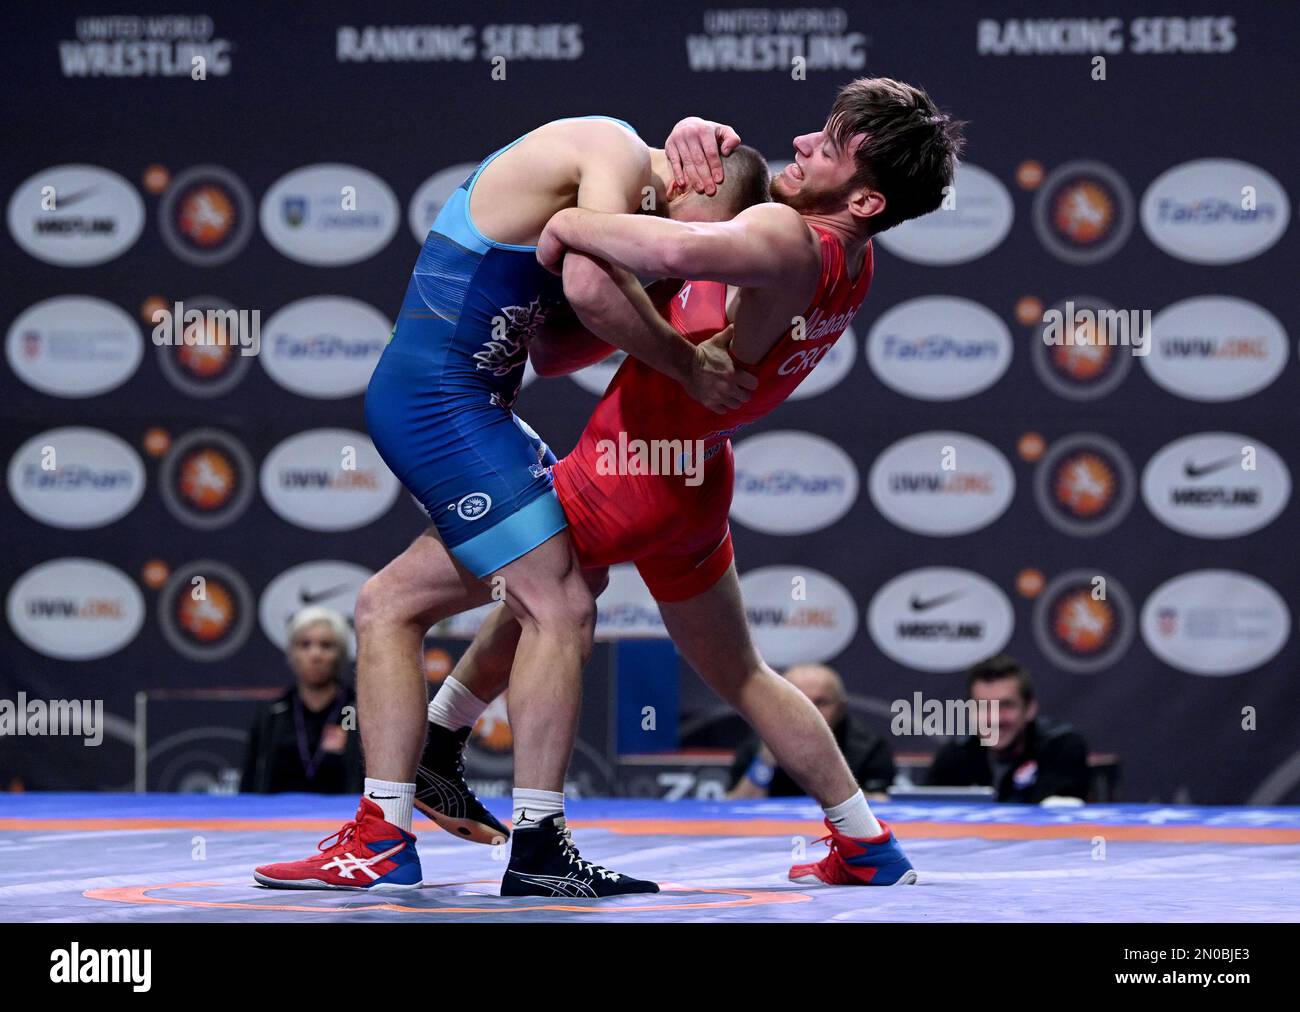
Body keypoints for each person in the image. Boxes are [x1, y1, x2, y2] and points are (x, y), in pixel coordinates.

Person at [415, 77, 965, 889]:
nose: (803, 145)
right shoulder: (853, 260)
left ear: (869, 198)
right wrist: (687, 143)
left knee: (471, 598)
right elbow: (706, 245)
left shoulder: (783, 235)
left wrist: (588, 194)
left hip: (630, 465)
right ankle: (866, 841)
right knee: (741, 672)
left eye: (828, 145)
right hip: (695, 479)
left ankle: (443, 748)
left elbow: (654, 249)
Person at [253, 114, 770, 896]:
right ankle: (537, 846)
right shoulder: (612, 148)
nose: (693, 259)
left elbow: (560, 349)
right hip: (438, 404)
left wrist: (656, 288)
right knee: (561, 603)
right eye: (704, 240)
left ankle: (382, 829)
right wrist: (685, 363)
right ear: (695, 183)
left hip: (476, 406)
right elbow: (596, 282)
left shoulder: (634, 194)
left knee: (391, 603)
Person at [927, 654, 1091, 803]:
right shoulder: (954, 755)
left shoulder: (1060, 747)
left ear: (1029, 708)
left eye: (1006, 705)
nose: (994, 719)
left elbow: (1060, 820)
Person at [727, 664, 894, 800]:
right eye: (800, 701)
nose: (810, 711)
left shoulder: (869, 746)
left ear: (842, 707)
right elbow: (736, 807)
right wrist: (766, 760)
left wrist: (826, 767)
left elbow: (881, 805)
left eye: (821, 702)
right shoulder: (759, 741)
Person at [241, 606, 362, 795]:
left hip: (343, 820)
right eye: (305, 645)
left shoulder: (359, 713)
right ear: (292, 653)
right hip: (274, 820)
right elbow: (248, 783)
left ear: (340, 654)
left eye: (326, 645)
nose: (315, 655)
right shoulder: (273, 714)